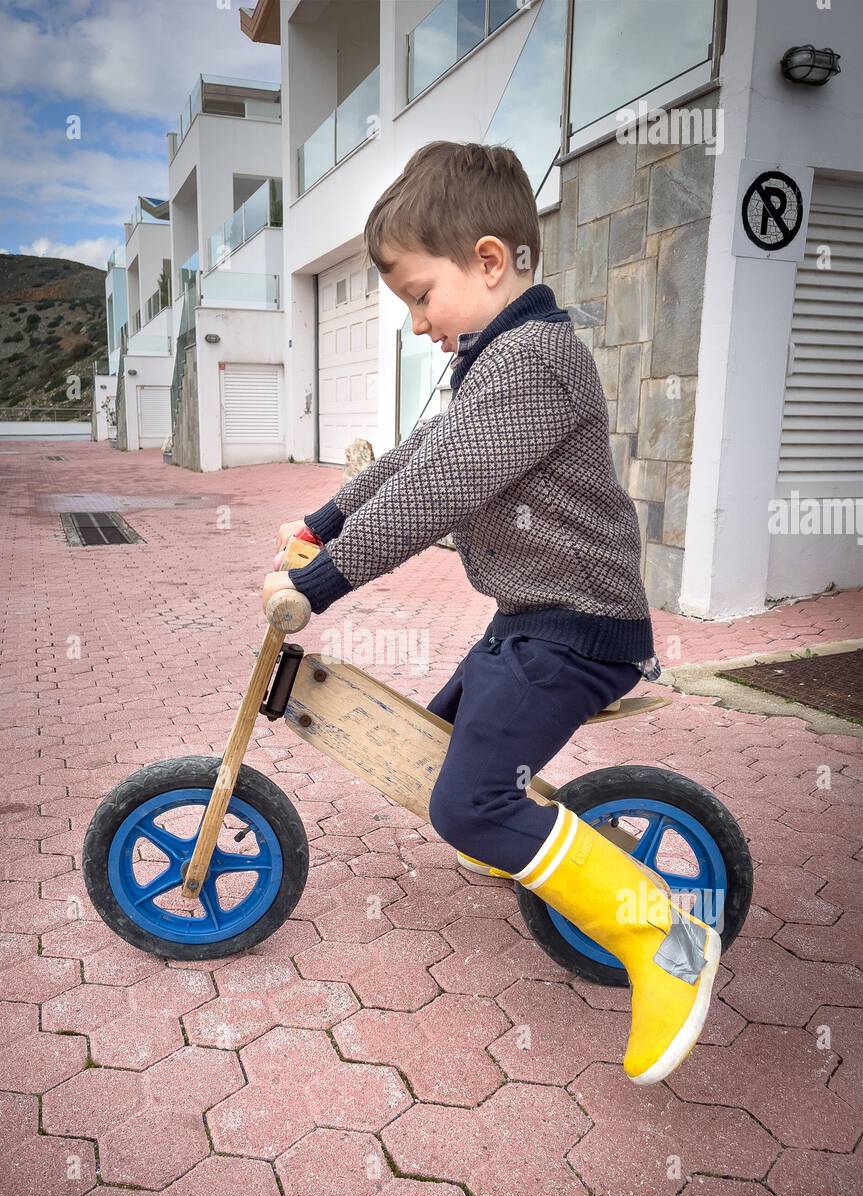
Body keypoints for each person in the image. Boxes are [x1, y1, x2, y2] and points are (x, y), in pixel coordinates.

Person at [264, 141, 720, 1086]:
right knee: (431, 743)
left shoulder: (536, 361)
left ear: (487, 260)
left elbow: (440, 489)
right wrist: (321, 520)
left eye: (421, 295)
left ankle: (665, 934)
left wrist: (321, 586)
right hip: (528, 618)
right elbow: (415, 456)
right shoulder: (492, 359)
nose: (417, 321)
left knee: (465, 803)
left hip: (575, 629)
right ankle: (531, 846)